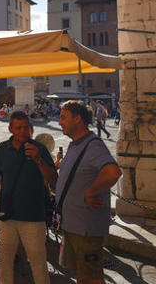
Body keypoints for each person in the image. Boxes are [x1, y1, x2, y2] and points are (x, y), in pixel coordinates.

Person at [0, 111, 57, 284]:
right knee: (4, 262)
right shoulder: (3, 149)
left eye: (26, 127)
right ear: (10, 129)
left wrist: (39, 160)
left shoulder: (39, 149)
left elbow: (54, 180)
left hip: (33, 217)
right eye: (18, 128)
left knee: (38, 263)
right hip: (7, 215)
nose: (23, 131)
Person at [56, 100, 122, 284]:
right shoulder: (76, 144)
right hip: (73, 226)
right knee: (80, 274)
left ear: (77, 119)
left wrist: (91, 192)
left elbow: (113, 171)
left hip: (86, 229)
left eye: (63, 117)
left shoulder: (93, 145)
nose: (59, 122)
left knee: (91, 278)